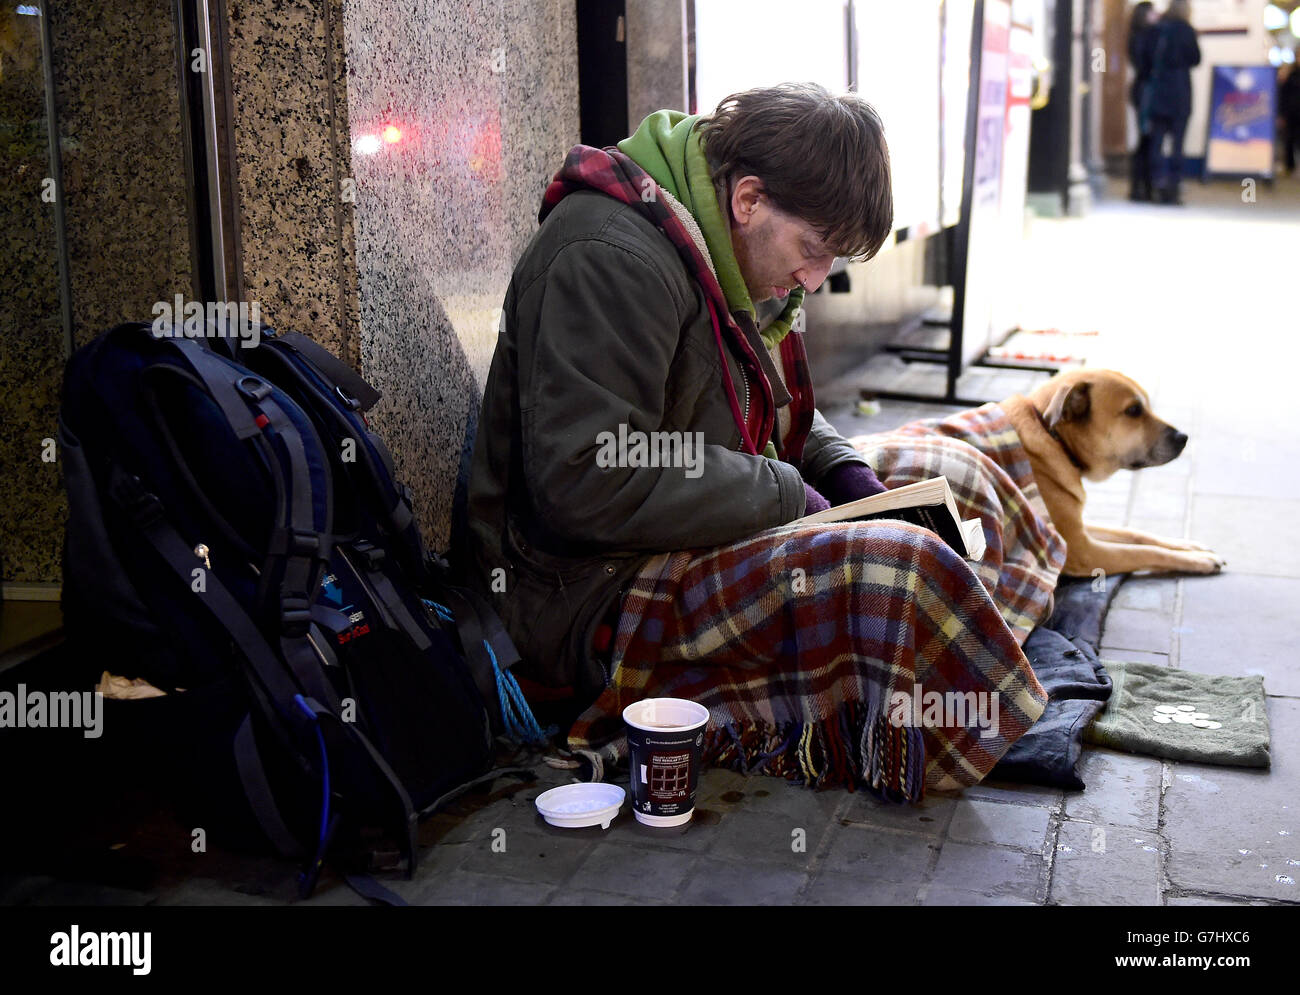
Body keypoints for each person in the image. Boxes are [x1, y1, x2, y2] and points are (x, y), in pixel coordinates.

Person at [463, 83, 1056, 801]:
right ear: (749, 199)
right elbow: (587, 476)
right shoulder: (608, 257)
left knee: (956, 492)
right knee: (903, 568)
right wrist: (785, 494)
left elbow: (764, 406)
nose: (813, 278)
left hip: (683, 529)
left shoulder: (708, 232)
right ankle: (939, 698)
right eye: (813, 249)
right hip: (584, 592)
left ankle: (957, 657)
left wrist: (844, 477)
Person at [1142, 0, 1201, 204]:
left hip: (1159, 91)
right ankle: (1174, 188)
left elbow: (1145, 59)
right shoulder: (1187, 31)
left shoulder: (1157, 30)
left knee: (1157, 141)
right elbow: (1196, 58)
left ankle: (1157, 183)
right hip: (1180, 92)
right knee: (1178, 144)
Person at [1127, 2, 1159, 201]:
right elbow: (1145, 64)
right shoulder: (1143, 37)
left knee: (1146, 139)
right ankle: (1141, 187)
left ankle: (1141, 187)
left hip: (1143, 90)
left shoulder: (1138, 36)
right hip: (1146, 91)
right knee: (1146, 139)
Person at [1280, 63, 1300, 176]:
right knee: (1290, 140)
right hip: (1292, 113)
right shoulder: (1292, 76)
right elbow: (1284, 95)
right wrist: (1282, 113)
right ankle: (1290, 166)